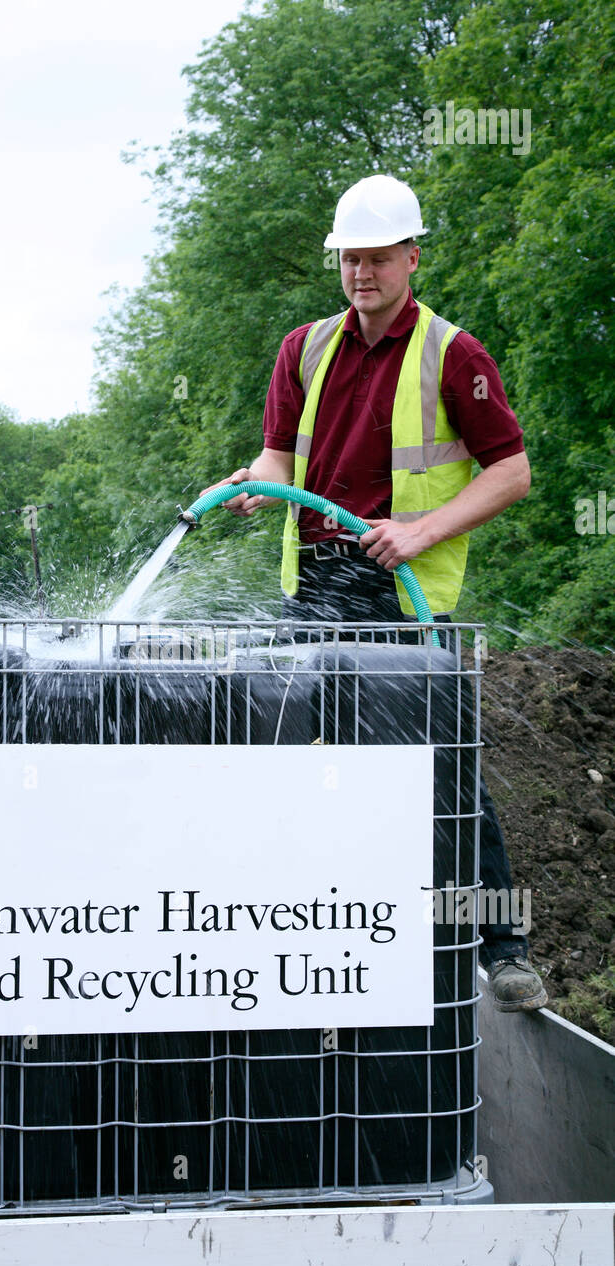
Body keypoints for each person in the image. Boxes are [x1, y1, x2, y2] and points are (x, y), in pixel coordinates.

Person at [204, 173, 546, 1012]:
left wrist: (421, 532)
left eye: (378, 259)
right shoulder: (304, 348)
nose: (362, 273)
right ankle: (302, 929)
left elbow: (513, 470)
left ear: (411, 259)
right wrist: (261, 481)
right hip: (315, 583)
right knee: (277, 749)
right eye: (350, 259)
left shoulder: (453, 355)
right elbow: (281, 454)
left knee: (444, 772)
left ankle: (502, 952)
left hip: (400, 595)